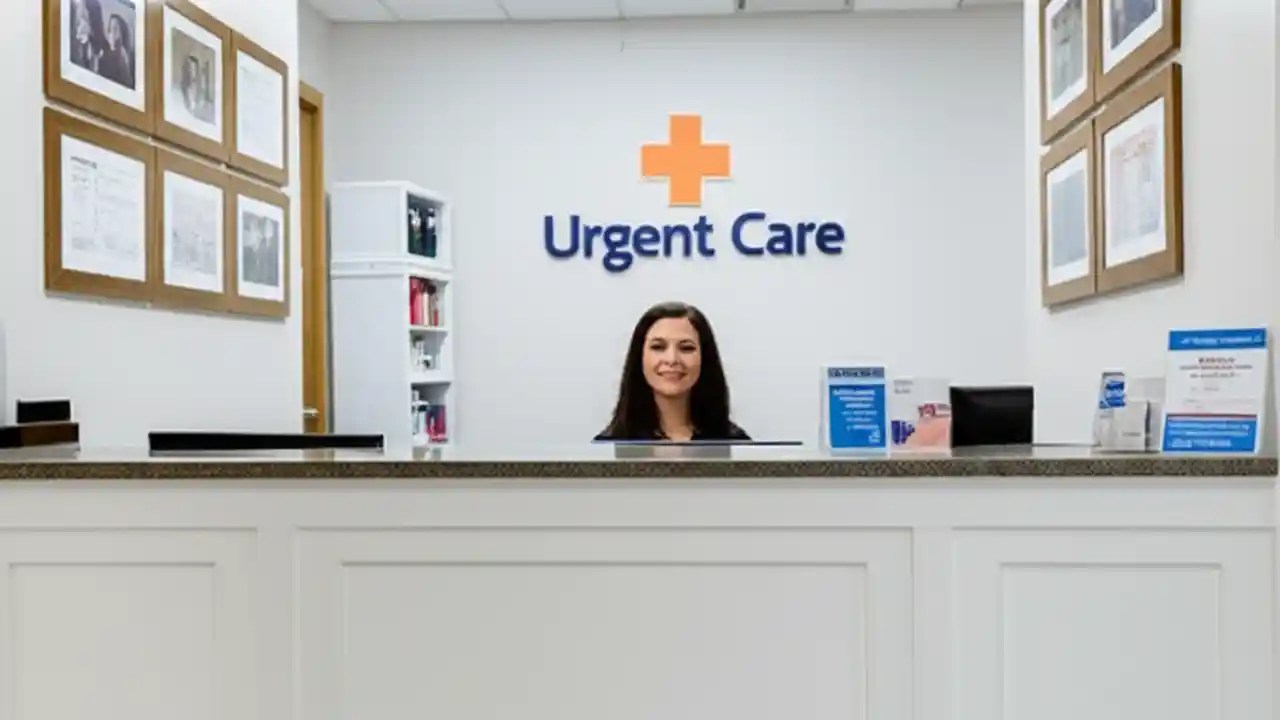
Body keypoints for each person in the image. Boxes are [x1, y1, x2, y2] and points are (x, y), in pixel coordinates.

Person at [596, 301, 750, 442]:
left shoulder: (734, 443)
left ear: (705, 358)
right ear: (639, 357)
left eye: (686, 348)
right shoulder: (608, 447)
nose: (672, 359)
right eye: (658, 347)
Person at [98, 13, 135, 89]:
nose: (112, 34)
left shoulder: (126, 58)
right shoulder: (102, 56)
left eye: (115, 29)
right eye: (110, 29)